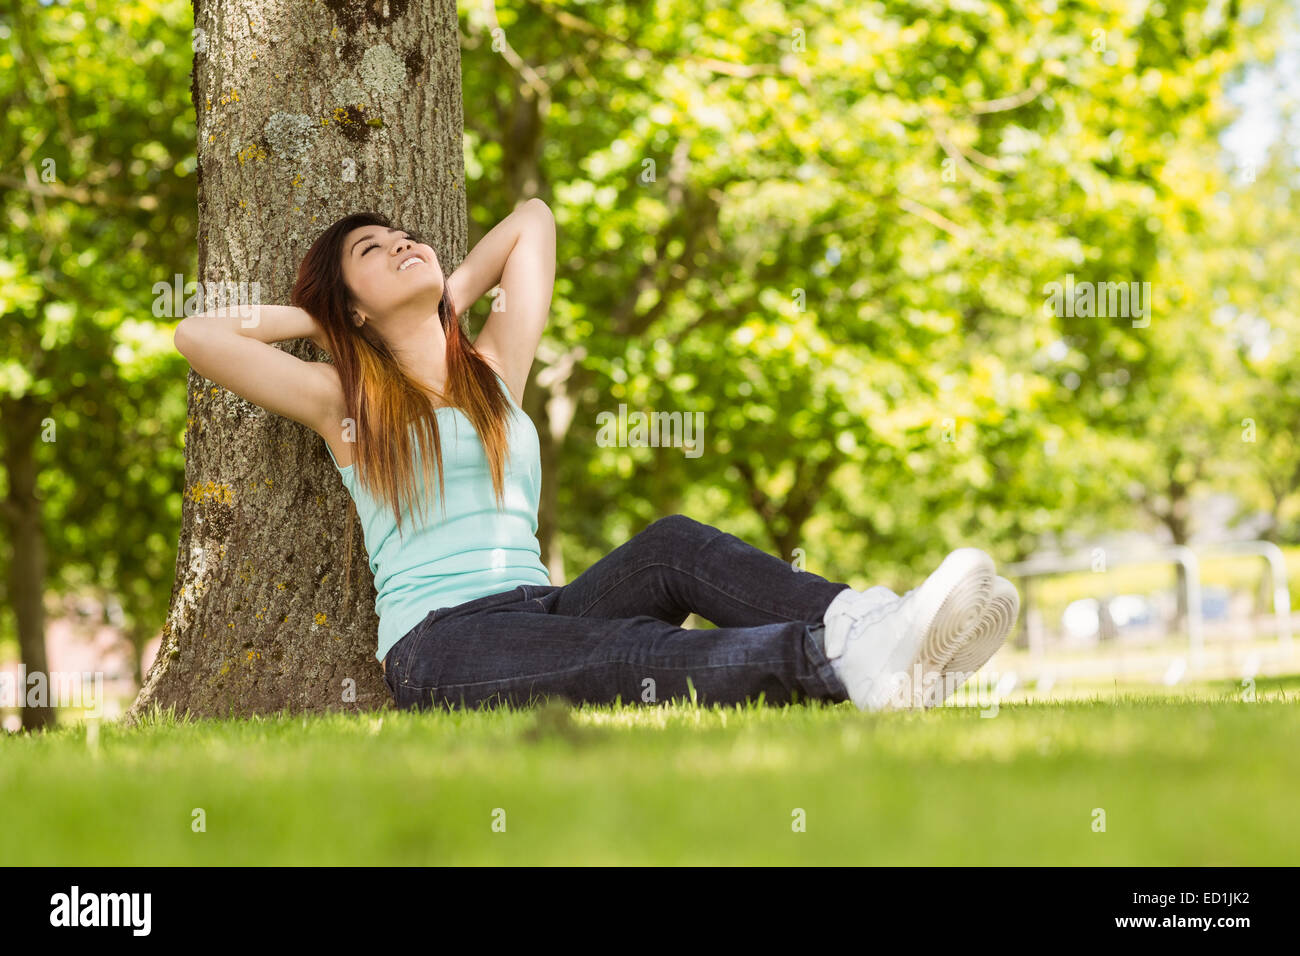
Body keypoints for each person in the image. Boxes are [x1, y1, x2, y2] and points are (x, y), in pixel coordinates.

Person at [173, 200, 1019, 713]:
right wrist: (324, 320)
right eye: (373, 252)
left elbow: (532, 221)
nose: (401, 244)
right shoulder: (344, 403)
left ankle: (865, 624)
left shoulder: (493, 370)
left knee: (674, 543)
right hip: (443, 645)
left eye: (405, 236)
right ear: (350, 307)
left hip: (544, 604)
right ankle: (843, 665)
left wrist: (447, 292)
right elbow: (197, 335)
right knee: (632, 659)